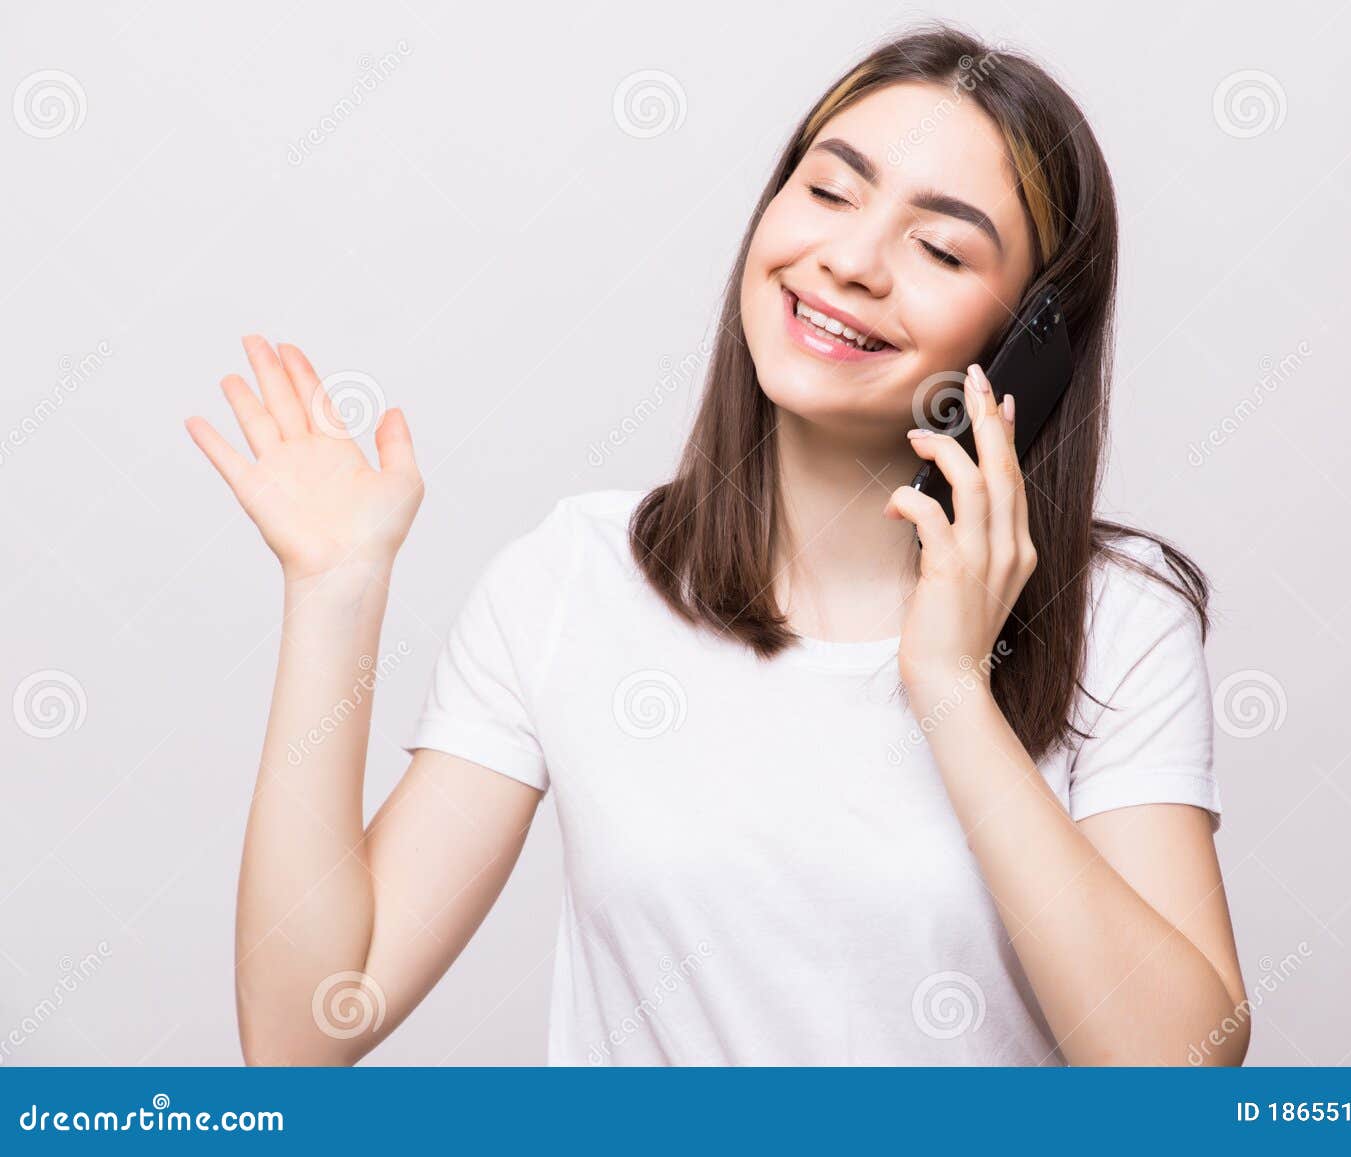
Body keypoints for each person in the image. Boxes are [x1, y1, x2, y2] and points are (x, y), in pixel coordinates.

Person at [184, 22, 1249, 1066]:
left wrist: (953, 690)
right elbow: (302, 1032)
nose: (850, 260)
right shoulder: (573, 579)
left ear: (1030, 344)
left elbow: (1177, 1075)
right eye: (828, 191)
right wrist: (334, 588)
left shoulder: (1119, 619)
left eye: (938, 247)